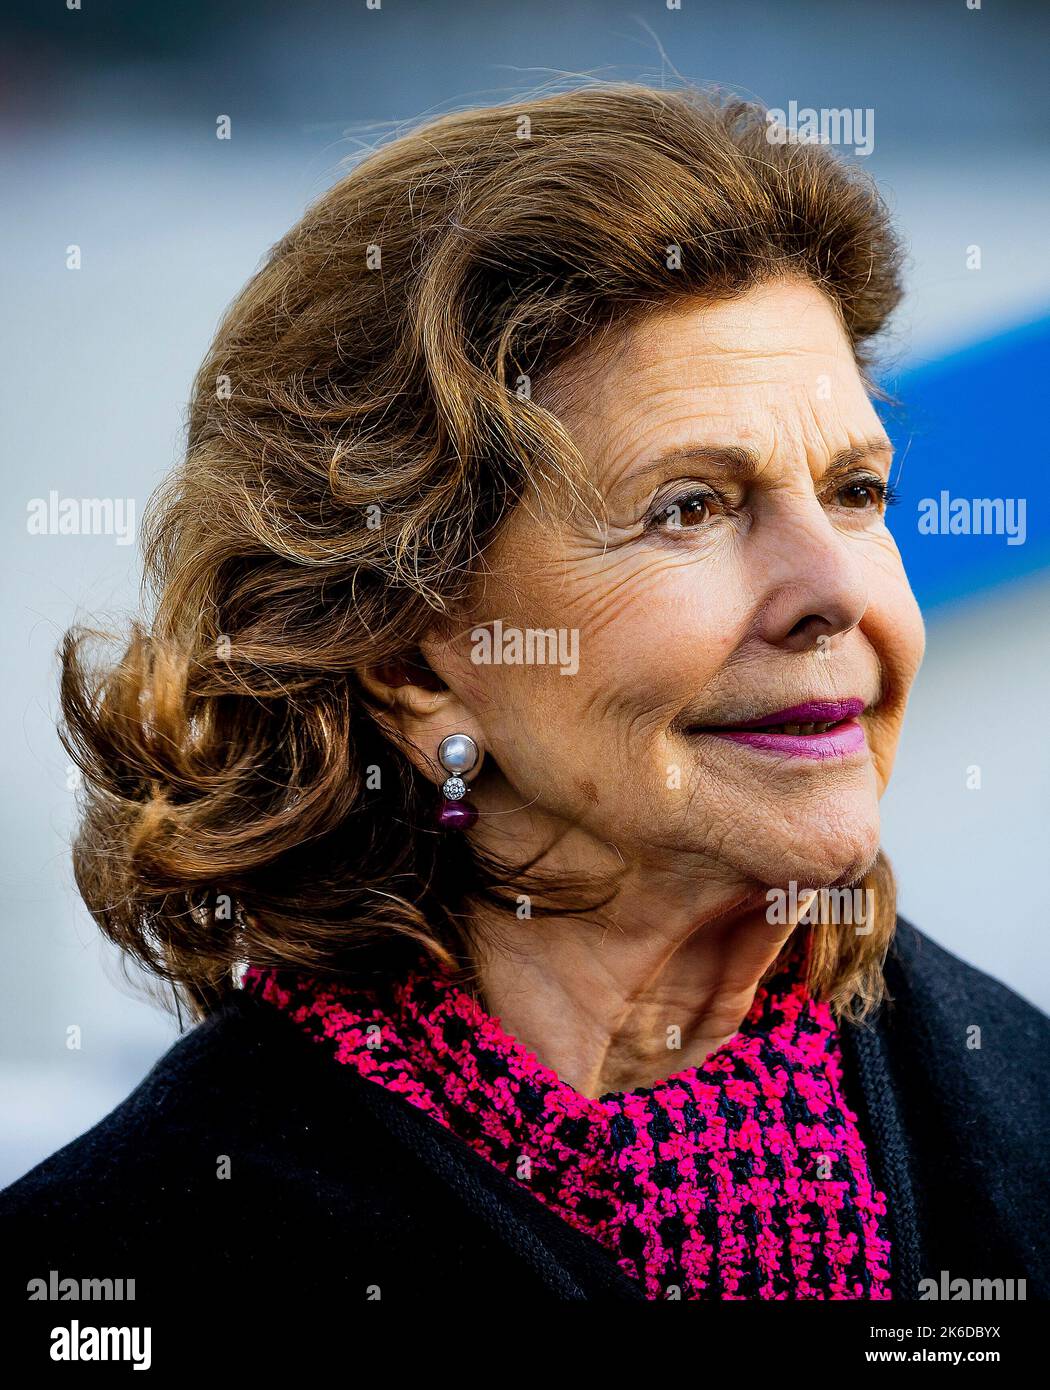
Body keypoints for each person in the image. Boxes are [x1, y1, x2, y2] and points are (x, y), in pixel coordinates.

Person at [2, 82, 1047, 1311]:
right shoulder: (128, 1261)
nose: (835, 591)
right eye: (689, 508)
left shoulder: (1019, 1121)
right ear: (410, 662)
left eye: (856, 493)